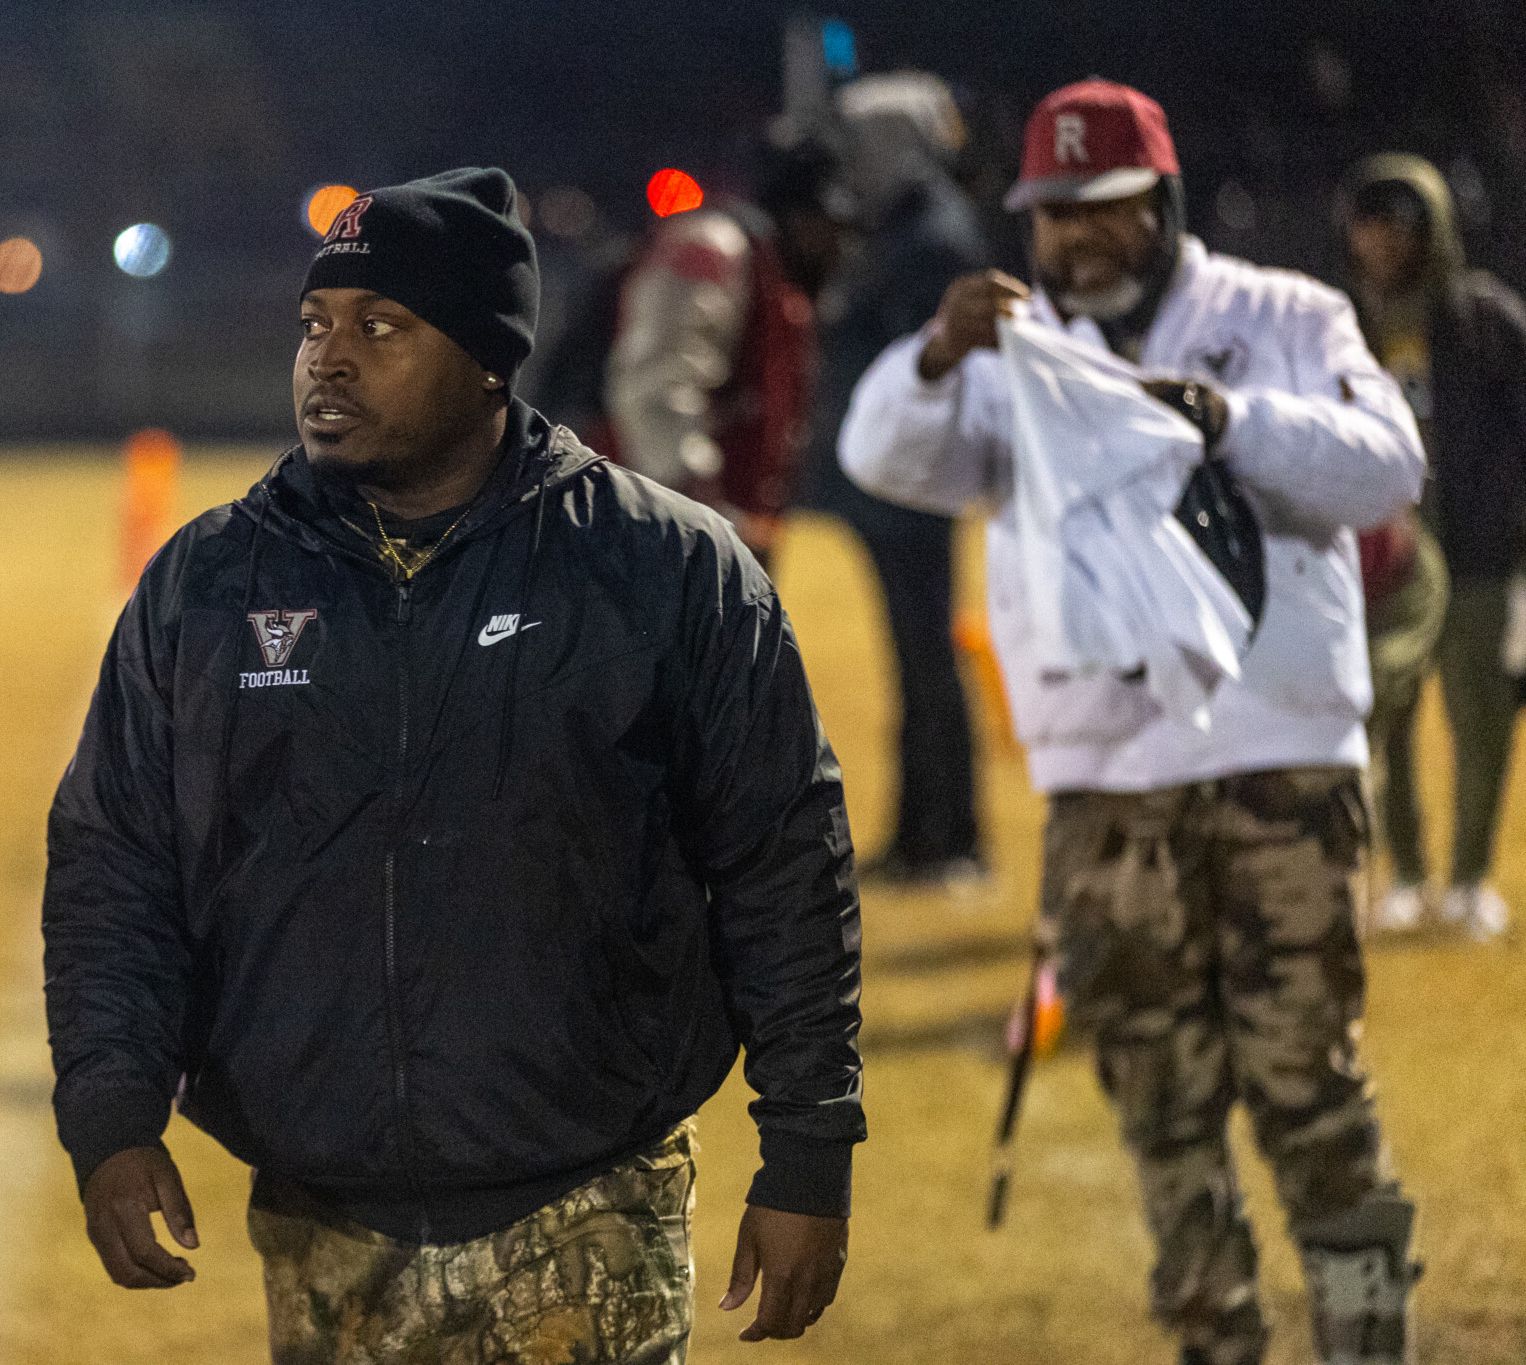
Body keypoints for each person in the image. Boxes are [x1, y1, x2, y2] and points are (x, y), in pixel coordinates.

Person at [44, 167, 866, 1363]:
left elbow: (782, 862)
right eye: (315, 325)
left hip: (590, 1208)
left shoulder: (664, 570)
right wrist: (111, 1116)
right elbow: (116, 866)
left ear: (488, 359)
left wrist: (807, 1152)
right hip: (321, 1219)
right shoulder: (207, 585)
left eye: (380, 328)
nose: (328, 359)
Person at [843, 81, 1425, 1365]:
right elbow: (882, 457)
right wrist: (936, 357)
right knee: (1157, 1102)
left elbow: (1385, 465)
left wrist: (1225, 420)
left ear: (1158, 203)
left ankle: (1366, 1344)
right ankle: (1216, 1344)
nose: (1073, 244)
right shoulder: (1014, 349)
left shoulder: (1280, 315)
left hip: (1276, 762)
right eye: (1050, 219)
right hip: (1102, 781)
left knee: (1308, 1095)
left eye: (1100, 212)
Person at [805, 71, 995, 886]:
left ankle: (954, 840)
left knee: (928, 661)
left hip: (918, 485)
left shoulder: (933, 239)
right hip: (893, 485)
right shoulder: (906, 231)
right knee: (911, 663)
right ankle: (923, 835)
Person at [1342, 153, 1526, 942]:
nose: (1382, 242)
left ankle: (1470, 880)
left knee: (1480, 719)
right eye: (1369, 226)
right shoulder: (1339, 324)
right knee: (1382, 716)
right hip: (1383, 559)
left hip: (1479, 552)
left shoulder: (1483, 317)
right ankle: (1407, 875)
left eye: (1398, 226)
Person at [601, 138, 849, 569]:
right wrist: (704, 516)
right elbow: (659, 393)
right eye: (828, 225)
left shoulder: (773, 272)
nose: (838, 245)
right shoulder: (715, 248)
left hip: (706, 527)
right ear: (798, 216)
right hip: (654, 525)